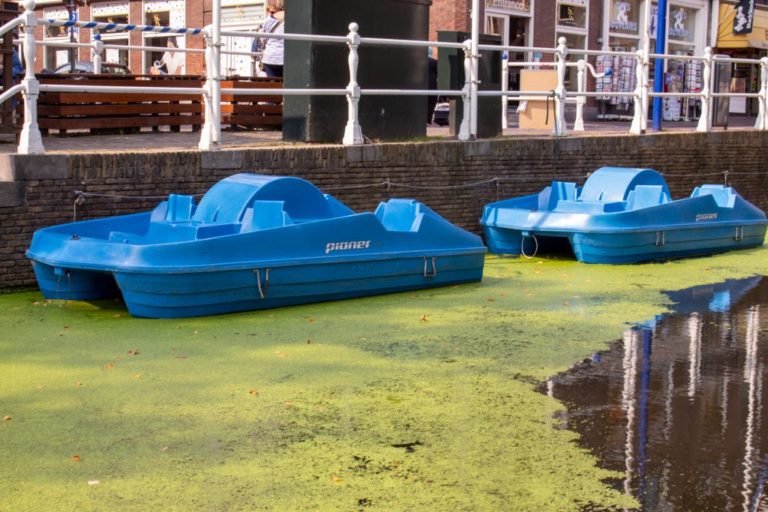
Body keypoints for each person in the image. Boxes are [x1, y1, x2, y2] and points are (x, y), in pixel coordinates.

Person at [259, 0, 284, 78]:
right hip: (284, 57)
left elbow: (262, 38)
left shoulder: (268, 19)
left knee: (274, 86)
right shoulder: (292, 18)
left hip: (269, 58)